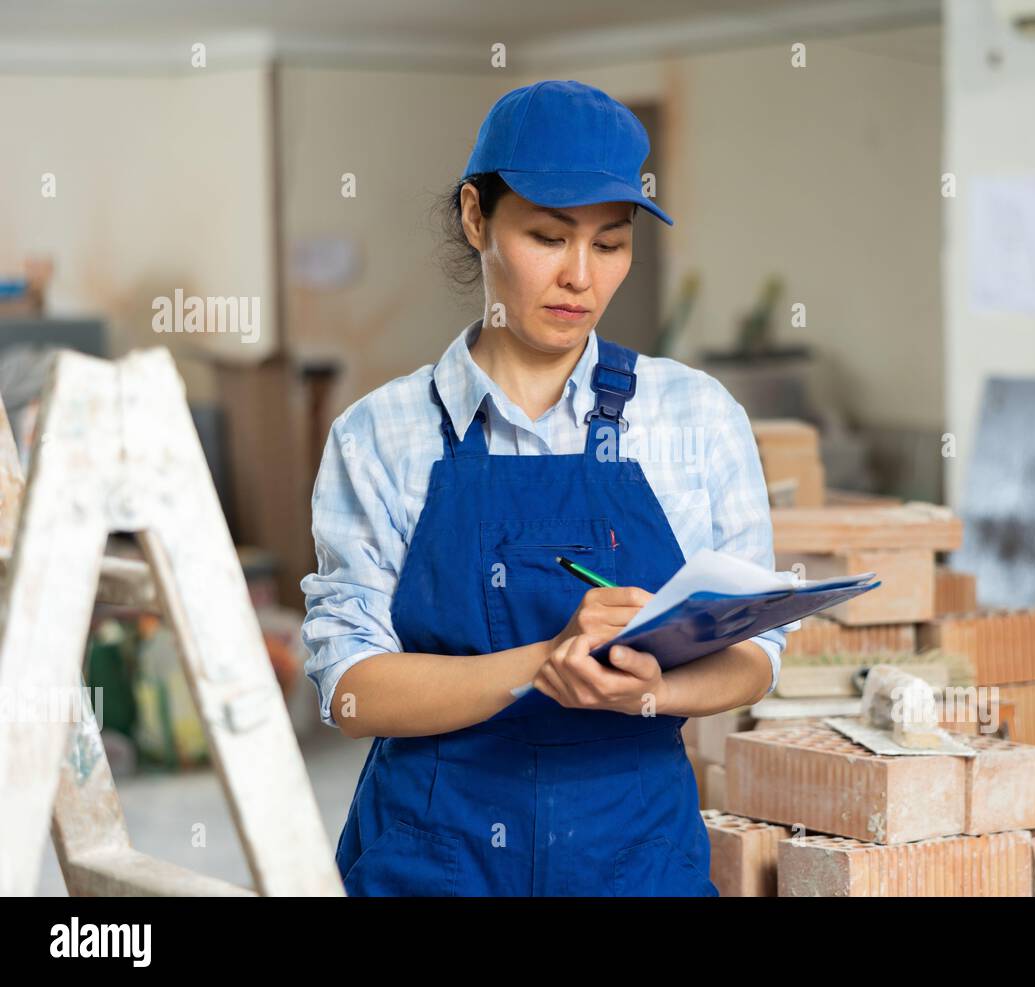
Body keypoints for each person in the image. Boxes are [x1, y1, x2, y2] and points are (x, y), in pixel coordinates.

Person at [301, 80, 788, 896]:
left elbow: (756, 655)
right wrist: (544, 663)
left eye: (609, 244)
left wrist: (653, 688)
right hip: (434, 858)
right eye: (548, 236)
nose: (580, 278)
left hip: (635, 858)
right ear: (473, 217)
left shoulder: (696, 417)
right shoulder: (378, 435)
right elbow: (351, 689)